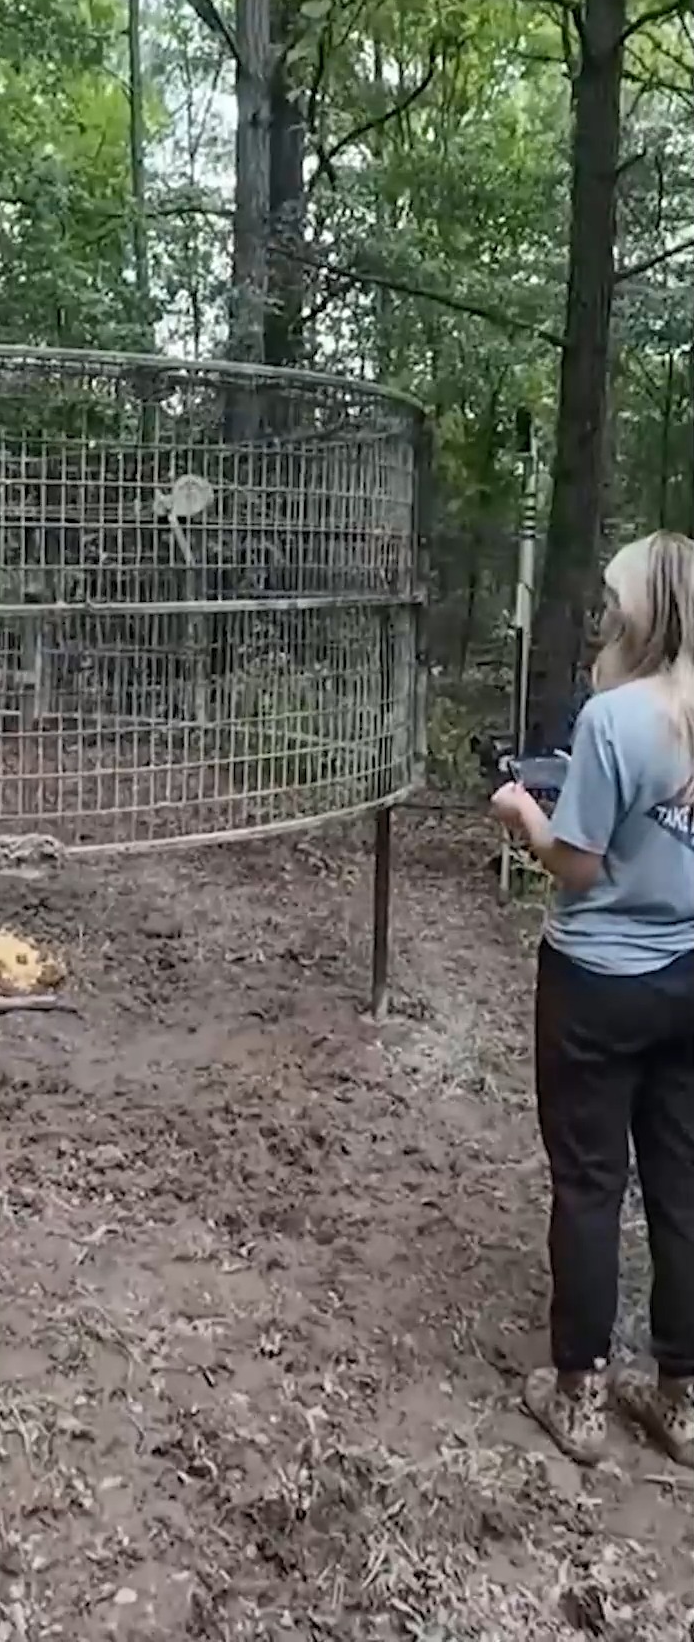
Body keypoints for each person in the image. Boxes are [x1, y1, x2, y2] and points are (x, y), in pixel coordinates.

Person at [492, 531, 694, 1469]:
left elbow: (576, 866)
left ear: (642, 611)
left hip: (597, 983)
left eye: (615, 598)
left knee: (589, 1183)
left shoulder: (615, 719)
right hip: (688, 976)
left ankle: (579, 1394)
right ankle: (680, 1400)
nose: (605, 612)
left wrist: (524, 813)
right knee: (681, 1183)